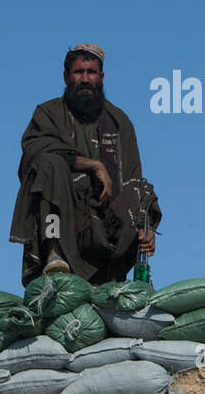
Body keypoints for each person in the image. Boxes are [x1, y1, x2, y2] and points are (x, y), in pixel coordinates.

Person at [9, 43, 160, 286]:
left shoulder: (119, 122)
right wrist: (93, 166)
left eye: (91, 72)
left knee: (135, 193)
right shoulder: (48, 113)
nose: (85, 79)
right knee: (49, 163)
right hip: (62, 214)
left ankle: (107, 277)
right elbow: (35, 152)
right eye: (79, 72)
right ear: (66, 76)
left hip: (104, 224)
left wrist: (146, 226)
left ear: (101, 77)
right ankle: (56, 255)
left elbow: (135, 179)